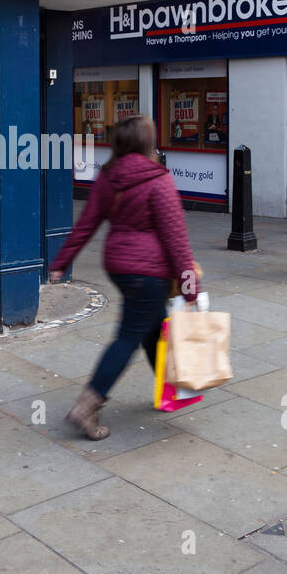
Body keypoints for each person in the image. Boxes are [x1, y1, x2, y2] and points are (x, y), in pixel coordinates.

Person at [49, 114, 200, 441]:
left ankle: (170, 389)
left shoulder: (109, 176)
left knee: (153, 328)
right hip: (148, 272)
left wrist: (61, 261)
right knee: (129, 336)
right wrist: (190, 284)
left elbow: (86, 224)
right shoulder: (158, 179)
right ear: (146, 142)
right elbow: (176, 239)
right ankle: (87, 405)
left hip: (119, 265)